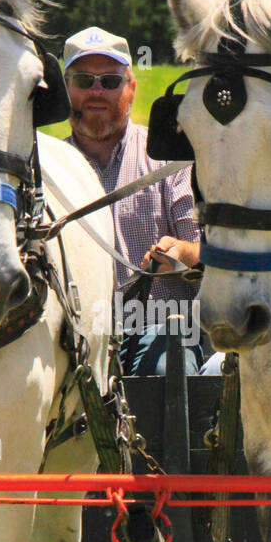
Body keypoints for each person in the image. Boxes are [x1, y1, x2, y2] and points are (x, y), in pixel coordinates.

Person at [61, 25, 204, 375]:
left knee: (172, 368)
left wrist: (182, 253)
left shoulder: (167, 160)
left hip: (157, 326)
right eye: (83, 80)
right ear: (66, 89)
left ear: (131, 89)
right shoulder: (50, 167)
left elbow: (211, 252)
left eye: (109, 81)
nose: (96, 91)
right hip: (74, 335)